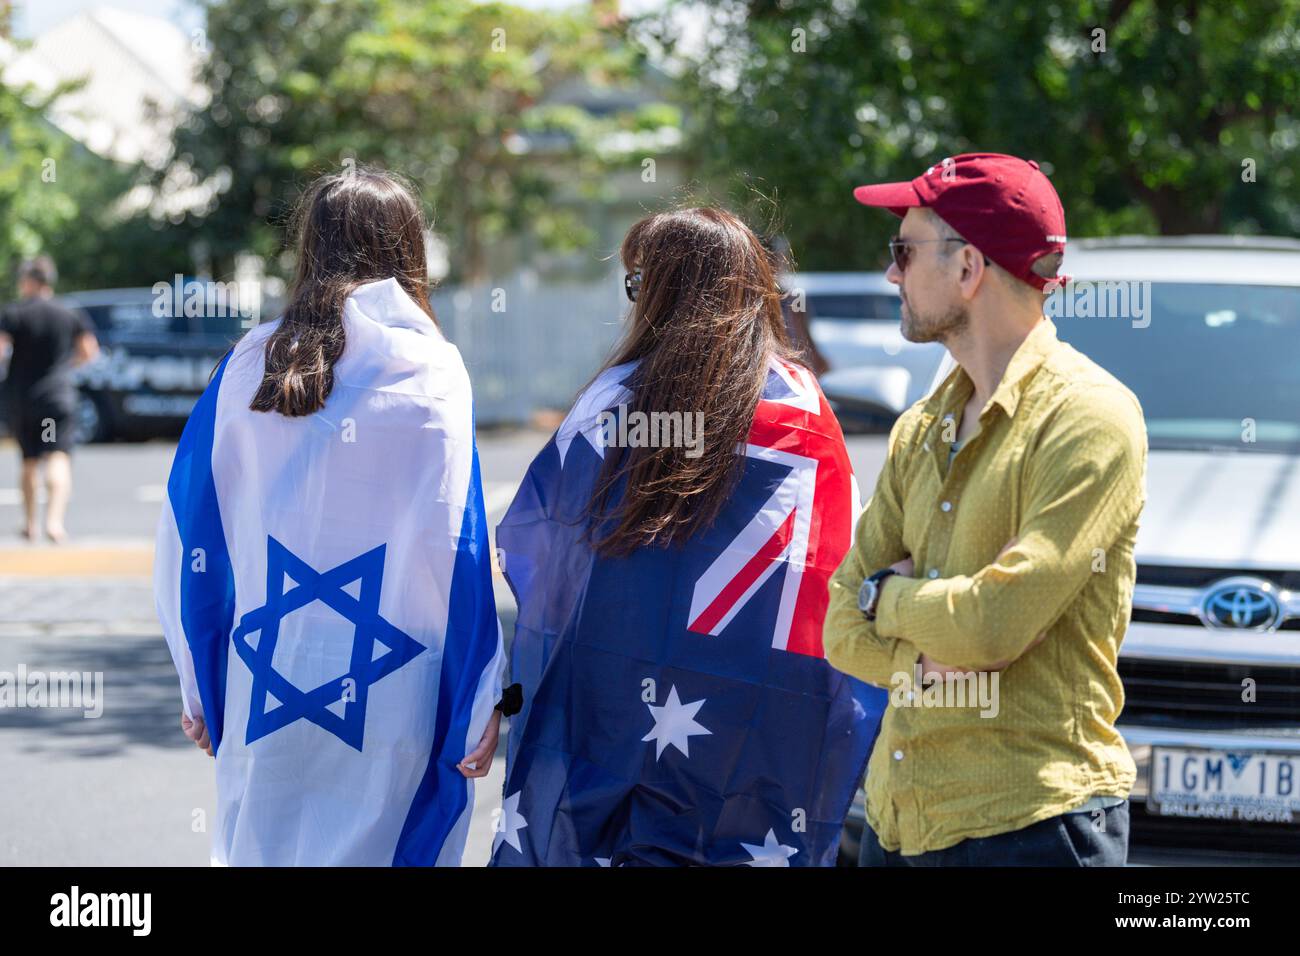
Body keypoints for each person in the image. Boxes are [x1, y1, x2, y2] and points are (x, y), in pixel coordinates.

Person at [490, 207, 885, 867]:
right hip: (762, 722)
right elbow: (833, 568)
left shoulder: (612, 406)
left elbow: (541, 554)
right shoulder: (807, 410)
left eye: (637, 285)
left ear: (659, 294)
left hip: (611, 710)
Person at [154, 168, 509, 866]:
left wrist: (198, 678)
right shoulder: (434, 373)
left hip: (264, 676)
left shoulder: (247, 363)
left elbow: (191, 531)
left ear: (309, 248)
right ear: (408, 252)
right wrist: (476, 699)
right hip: (392, 690)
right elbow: (459, 548)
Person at [823, 153, 1147, 866]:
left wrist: (889, 597)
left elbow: (997, 623)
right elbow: (839, 625)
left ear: (968, 269)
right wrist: (936, 635)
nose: (891, 274)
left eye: (902, 251)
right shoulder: (919, 427)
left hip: (1031, 831)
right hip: (898, 824)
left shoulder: (1089, 417)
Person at [0, 256, 100, 542]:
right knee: (56, 455)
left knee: (29, 460)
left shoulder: (14, 313)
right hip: (55, 399)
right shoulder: (68, 314)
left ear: (30, 281)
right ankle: (54, 522)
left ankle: (30, 523)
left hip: (22, 399)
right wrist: (67, 366)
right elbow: (89, 351)